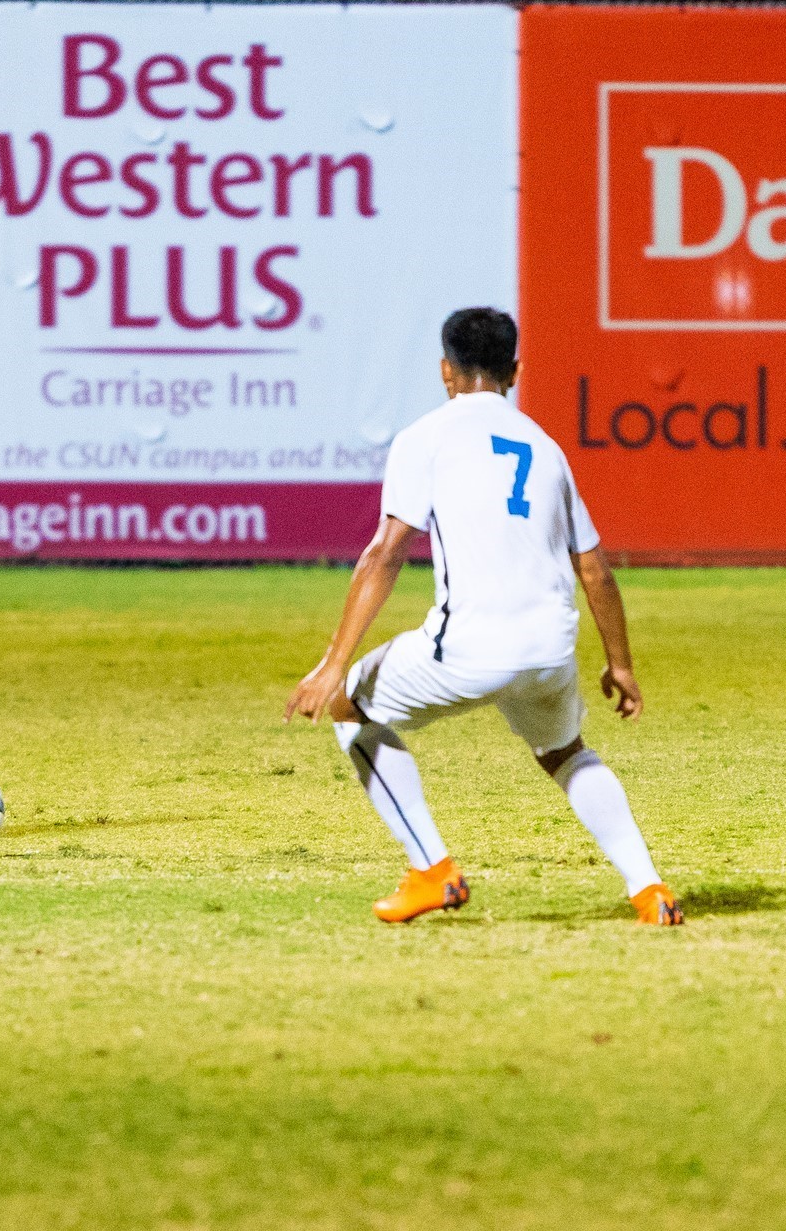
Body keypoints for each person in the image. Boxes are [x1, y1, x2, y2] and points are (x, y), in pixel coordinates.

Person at [285, 308, 681, 925]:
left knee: (348, 708)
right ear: (515, 370)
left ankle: (432, 872)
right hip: (550, 650)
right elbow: (596, 570)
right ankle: (649, 890)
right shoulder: (545, 448)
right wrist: (621, 665)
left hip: (470, 649)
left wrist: (333, 666)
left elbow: (385, 553)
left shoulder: (426, 436)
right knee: (566, 751)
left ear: (446, 371)